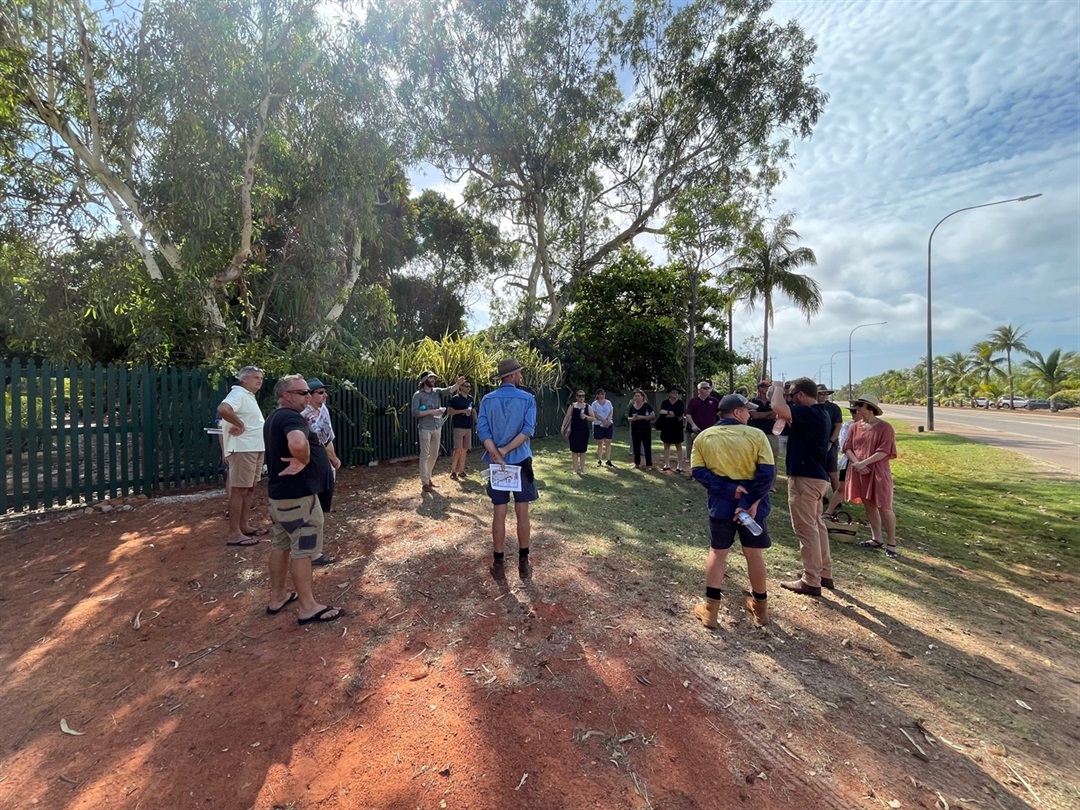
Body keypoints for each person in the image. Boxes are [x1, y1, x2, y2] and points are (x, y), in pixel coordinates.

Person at [263, 375, 343, 624]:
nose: (308, 396)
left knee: (281, 544)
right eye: (303, 392)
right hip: (298, 497)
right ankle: (307, 607)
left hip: (281, 497)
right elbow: (297, 443)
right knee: (303, 550)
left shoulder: (275, 417)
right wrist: (305, 459)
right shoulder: (290, 417)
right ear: (287, 395)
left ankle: (279, 596)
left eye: (310, 392)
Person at [690, 393, 775, 627]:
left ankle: (710, 610)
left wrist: (729, 489)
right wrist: (749, 503)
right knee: (754, 554)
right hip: (753, 508)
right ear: (737, 413)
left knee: (717, 553)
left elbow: (698, 472)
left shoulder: (704, 437)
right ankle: (761, 609)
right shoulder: (757, 435)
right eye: (747, 410)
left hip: (721, 505)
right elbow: (767, 475)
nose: (750, 414)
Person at [770, 377, 834, 596]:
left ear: (800, 395)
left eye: (792, 395)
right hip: (817, 478)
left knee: (806, 529)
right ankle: (824, 572)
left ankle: (811, 579)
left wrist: (777, 387)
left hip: (805, 479)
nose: (790, 400)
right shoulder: (821, 413)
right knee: (817, 525)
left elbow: (777, 406)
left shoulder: (809, 413)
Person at [477, 358, 538, 579]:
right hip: (520, 462)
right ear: (512, 375)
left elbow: (483, 431)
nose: (520, 377)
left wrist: (496, 453)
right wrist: (505, 450)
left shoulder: (487, 399)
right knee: (522, 512)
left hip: (497, 466)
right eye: (519, 373)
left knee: (499, 512)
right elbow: (527, 430)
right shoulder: (528, 399)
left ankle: (499, 563)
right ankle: (523, 561)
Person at [844, 394, 899, 557]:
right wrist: (857, 464)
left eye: (860, 405)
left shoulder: (885, 427)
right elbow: (847, 447)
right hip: (859, 470)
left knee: (884, 506)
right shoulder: (855, 426)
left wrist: (864, 463)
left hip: (878, 472)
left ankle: (892, 543)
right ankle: (876, 538)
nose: (857, 408)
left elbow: (885, 450)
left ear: (870, 408)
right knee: (868, 504)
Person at [217, 365, 266, 546]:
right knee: (239, 489)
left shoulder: (248, 396)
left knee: (250, 488)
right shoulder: (237, 394)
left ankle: (244, 526)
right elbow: (223, 409)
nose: (259, 381)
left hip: (254, 447)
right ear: (244, 379)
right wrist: (240, 424)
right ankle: (234, 533)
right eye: (255, 377)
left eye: (261, 378)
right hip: (244, 448)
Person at [302, 378, 340, 567]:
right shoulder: (304, 415)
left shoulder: (322, 409)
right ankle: (312, 552)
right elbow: (317, 440)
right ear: (308, 396)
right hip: (312, 464)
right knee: (311, 510)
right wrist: (331, 458)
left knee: (320, 508)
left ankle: (314, 548)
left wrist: (333, 459)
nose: (325, 395)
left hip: (325, 463)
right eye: (320, 392)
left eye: (325, 392)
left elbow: (327, 437)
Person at [412, 370, 466, 492]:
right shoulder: (418, 395)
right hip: (425, 428)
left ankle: (428, 477)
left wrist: (457, 384)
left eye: (434, 378)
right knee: (424, 455)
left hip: (437, 426)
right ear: (424, 380)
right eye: (430, 378)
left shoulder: (437, 392)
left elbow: (449, 390)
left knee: (435, 454)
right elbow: (415, 412)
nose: (433, 380)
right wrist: (431, 412)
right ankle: (425, 482)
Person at [824, 407, 858, 520]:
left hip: (866, 463)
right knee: (841, 488)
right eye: (851, 411)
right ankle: (829, 511)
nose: (852, 413)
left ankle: (872, 520)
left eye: (855, 411)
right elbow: (844, 446)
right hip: (849, 461)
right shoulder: (848, 426)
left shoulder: (876, 427)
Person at [817, 384, 844, 508]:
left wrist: (831, 442)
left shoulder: (834, 408)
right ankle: (822, 496)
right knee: (819, 472)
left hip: (830, 444)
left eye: (825, 393)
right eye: (820, 393)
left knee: (832, 472)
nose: (823, 396)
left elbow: (838, 426)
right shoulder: (812, 406)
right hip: (816, 444)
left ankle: (837, 499)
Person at [447, 380, 477, 479]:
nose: (468, 388)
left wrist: (476, 422)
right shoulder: (455, 399)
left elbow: (473, 411)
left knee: (464, 449)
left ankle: (461, 470)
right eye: (466, 386)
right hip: (458, 426)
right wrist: (462, 411)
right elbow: (450, 411)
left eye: (469, 387)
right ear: (461, 387)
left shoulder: (471, 399)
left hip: (468, 427)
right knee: (458, 449)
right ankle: (453, 471)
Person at [560, 389, 593, 474]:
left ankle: (582, 469)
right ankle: (575, 469)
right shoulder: (572, 405)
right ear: (576, 397)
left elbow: (593, 418)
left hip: (584, 430)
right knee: (574, 450)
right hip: (574, 430)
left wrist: (585, 416)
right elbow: (567, 416)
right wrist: (563, 426)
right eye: (579, 396)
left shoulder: (587, 406)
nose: (581, 397)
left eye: (583, 396)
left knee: (583, 450)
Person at [685, 381, 721, 459]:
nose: (707, 389)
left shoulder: (714, 401)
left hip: (711, 430)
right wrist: (693, 425)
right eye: (705, 388)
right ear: (699, 390)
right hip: (697, 431)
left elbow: (720, 413)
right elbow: (688, 415)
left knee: (711, 451)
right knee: (697, 451)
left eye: (709, 388)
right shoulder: (693, 401)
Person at [656, 386, 686, 472]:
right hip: (666, 426)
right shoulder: (665, 402)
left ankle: (679, 465)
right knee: (666, 444)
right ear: (669, 393)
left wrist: (669, 413)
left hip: (677, 426)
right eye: (673, 392)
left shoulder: (680, 403)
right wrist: (670, 413)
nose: (675, 394)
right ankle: (666, 464)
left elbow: (679, 414)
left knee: (678, 445)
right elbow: (662, 412)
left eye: (676, 393)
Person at [749, 379, 780, 462]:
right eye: (766, 387)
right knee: (756, 458)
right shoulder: (752, 401)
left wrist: (761, 415)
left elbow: (774, 415)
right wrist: (770, 412)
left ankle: (773, 475)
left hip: (771, 433)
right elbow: (754, 416)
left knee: (773, 458)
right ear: (760, 388)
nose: (768, 389)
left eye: (769, 387)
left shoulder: (773, 401)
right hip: (756, 433)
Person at [626, 389, 656, 470]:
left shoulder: (646, 406)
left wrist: (642, 417)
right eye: (635, 396)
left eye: (638, 396)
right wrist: (633, 418)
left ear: (643, 397)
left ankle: (649, 465)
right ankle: (637, 463)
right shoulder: (632, 406)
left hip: (645, 429)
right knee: (636, 446)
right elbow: (628, 418)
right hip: (635, 428)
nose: (637, 397)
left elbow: (653, 415)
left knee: (647, 446)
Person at [590, 389, 615, 467]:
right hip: (598, 424)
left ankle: (608, 460)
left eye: (603, 394)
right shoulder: (594, 404)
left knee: (608, 441)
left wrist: (607, 420)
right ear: (597, 395)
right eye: (600, 394)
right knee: (600, 442)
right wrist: (603, 420)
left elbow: (611, 411)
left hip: (608, 423)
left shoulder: (608, 402)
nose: (602, 395)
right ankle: (599, 460)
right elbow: (594, 414)